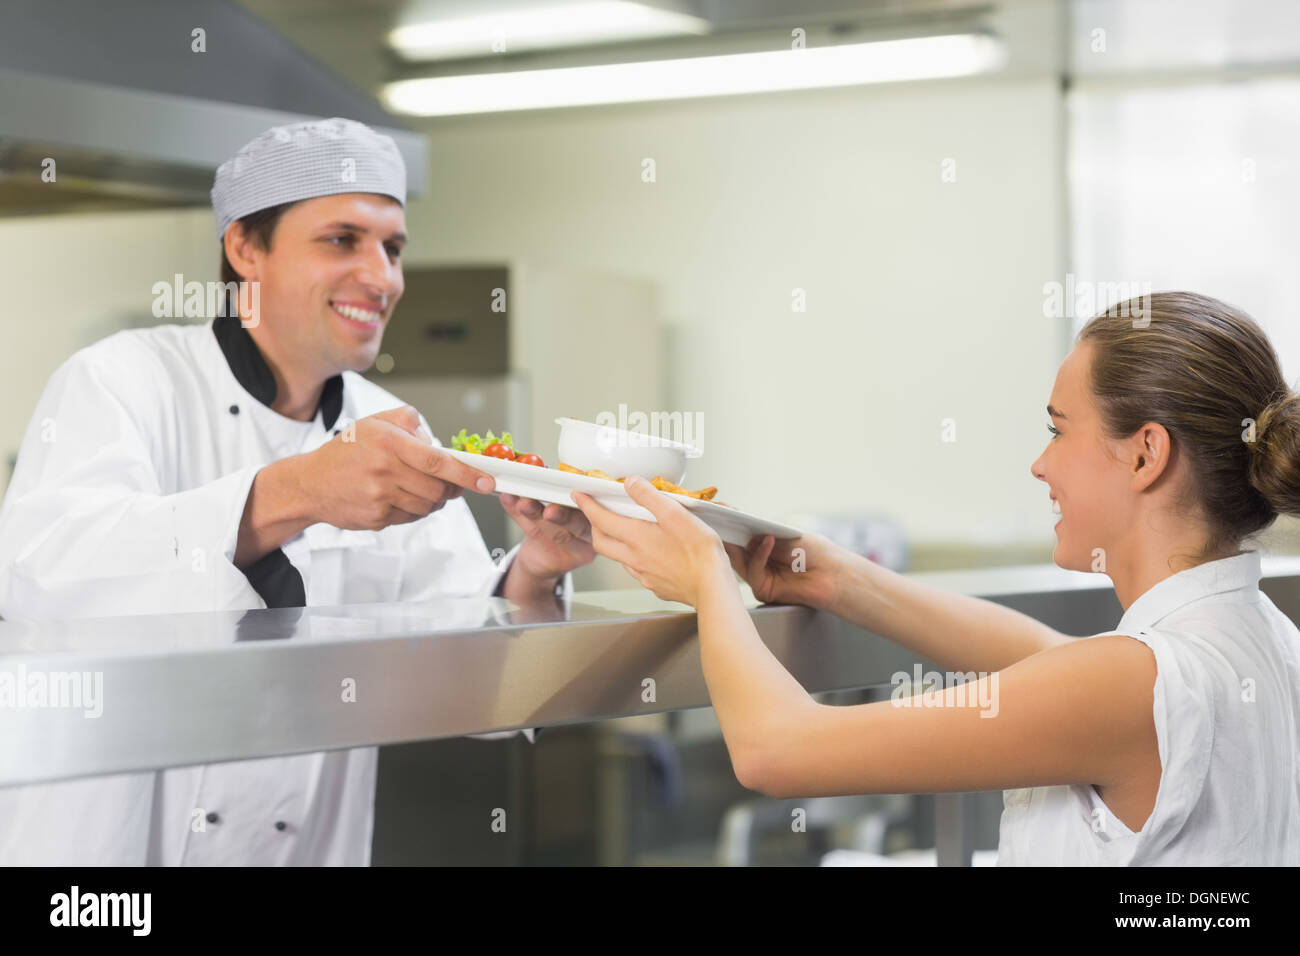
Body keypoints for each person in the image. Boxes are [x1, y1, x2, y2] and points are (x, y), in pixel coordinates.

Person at [0, 117, 594, 865]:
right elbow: (43, 582)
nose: (382, 277)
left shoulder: (387, 426)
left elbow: (463, 680)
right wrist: (292, 493)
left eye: (393, 247)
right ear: (246, 248)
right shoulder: (121, 380)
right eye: (342, 239)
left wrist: (534, 570)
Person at [573, 291, 1300, 865]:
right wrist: (842, 580)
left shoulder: (1135, 682)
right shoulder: (1267, 638)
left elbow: (776, 749)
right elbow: (1052, 663)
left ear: (1145, 455)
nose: (1040, 465)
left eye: (1058, 429)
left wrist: (706, 579)